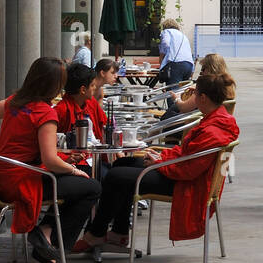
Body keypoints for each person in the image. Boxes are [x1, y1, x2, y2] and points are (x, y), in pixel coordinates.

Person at [75, 72, 240, 253]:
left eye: (195, 94)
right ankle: (118, 233)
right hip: (182, 174)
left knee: (116, 176)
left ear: (203, 98)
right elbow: (188, 156)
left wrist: (161, 163)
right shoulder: (217, 121)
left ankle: (96, 234)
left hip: (186, 184)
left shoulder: (213, 130)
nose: (192, 98)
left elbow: (190, 169)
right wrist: (162, 158)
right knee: (123, 165)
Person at [0, 58, 101, 263]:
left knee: (75, 181)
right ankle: (48, 237)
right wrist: (73, 169)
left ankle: (45, 232)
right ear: (55, 85)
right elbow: (50, 160)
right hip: (21, 182)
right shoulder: (45, 113)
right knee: (91, 186)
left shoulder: (14, 101)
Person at [155, 18, 195, 85]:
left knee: (173, 90)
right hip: (189, 65)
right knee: (182, 91)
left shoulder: (167, 31)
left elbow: (166, 43)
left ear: (164, 26)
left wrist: (162, 55)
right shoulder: (182, 35)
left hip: (176, 64)